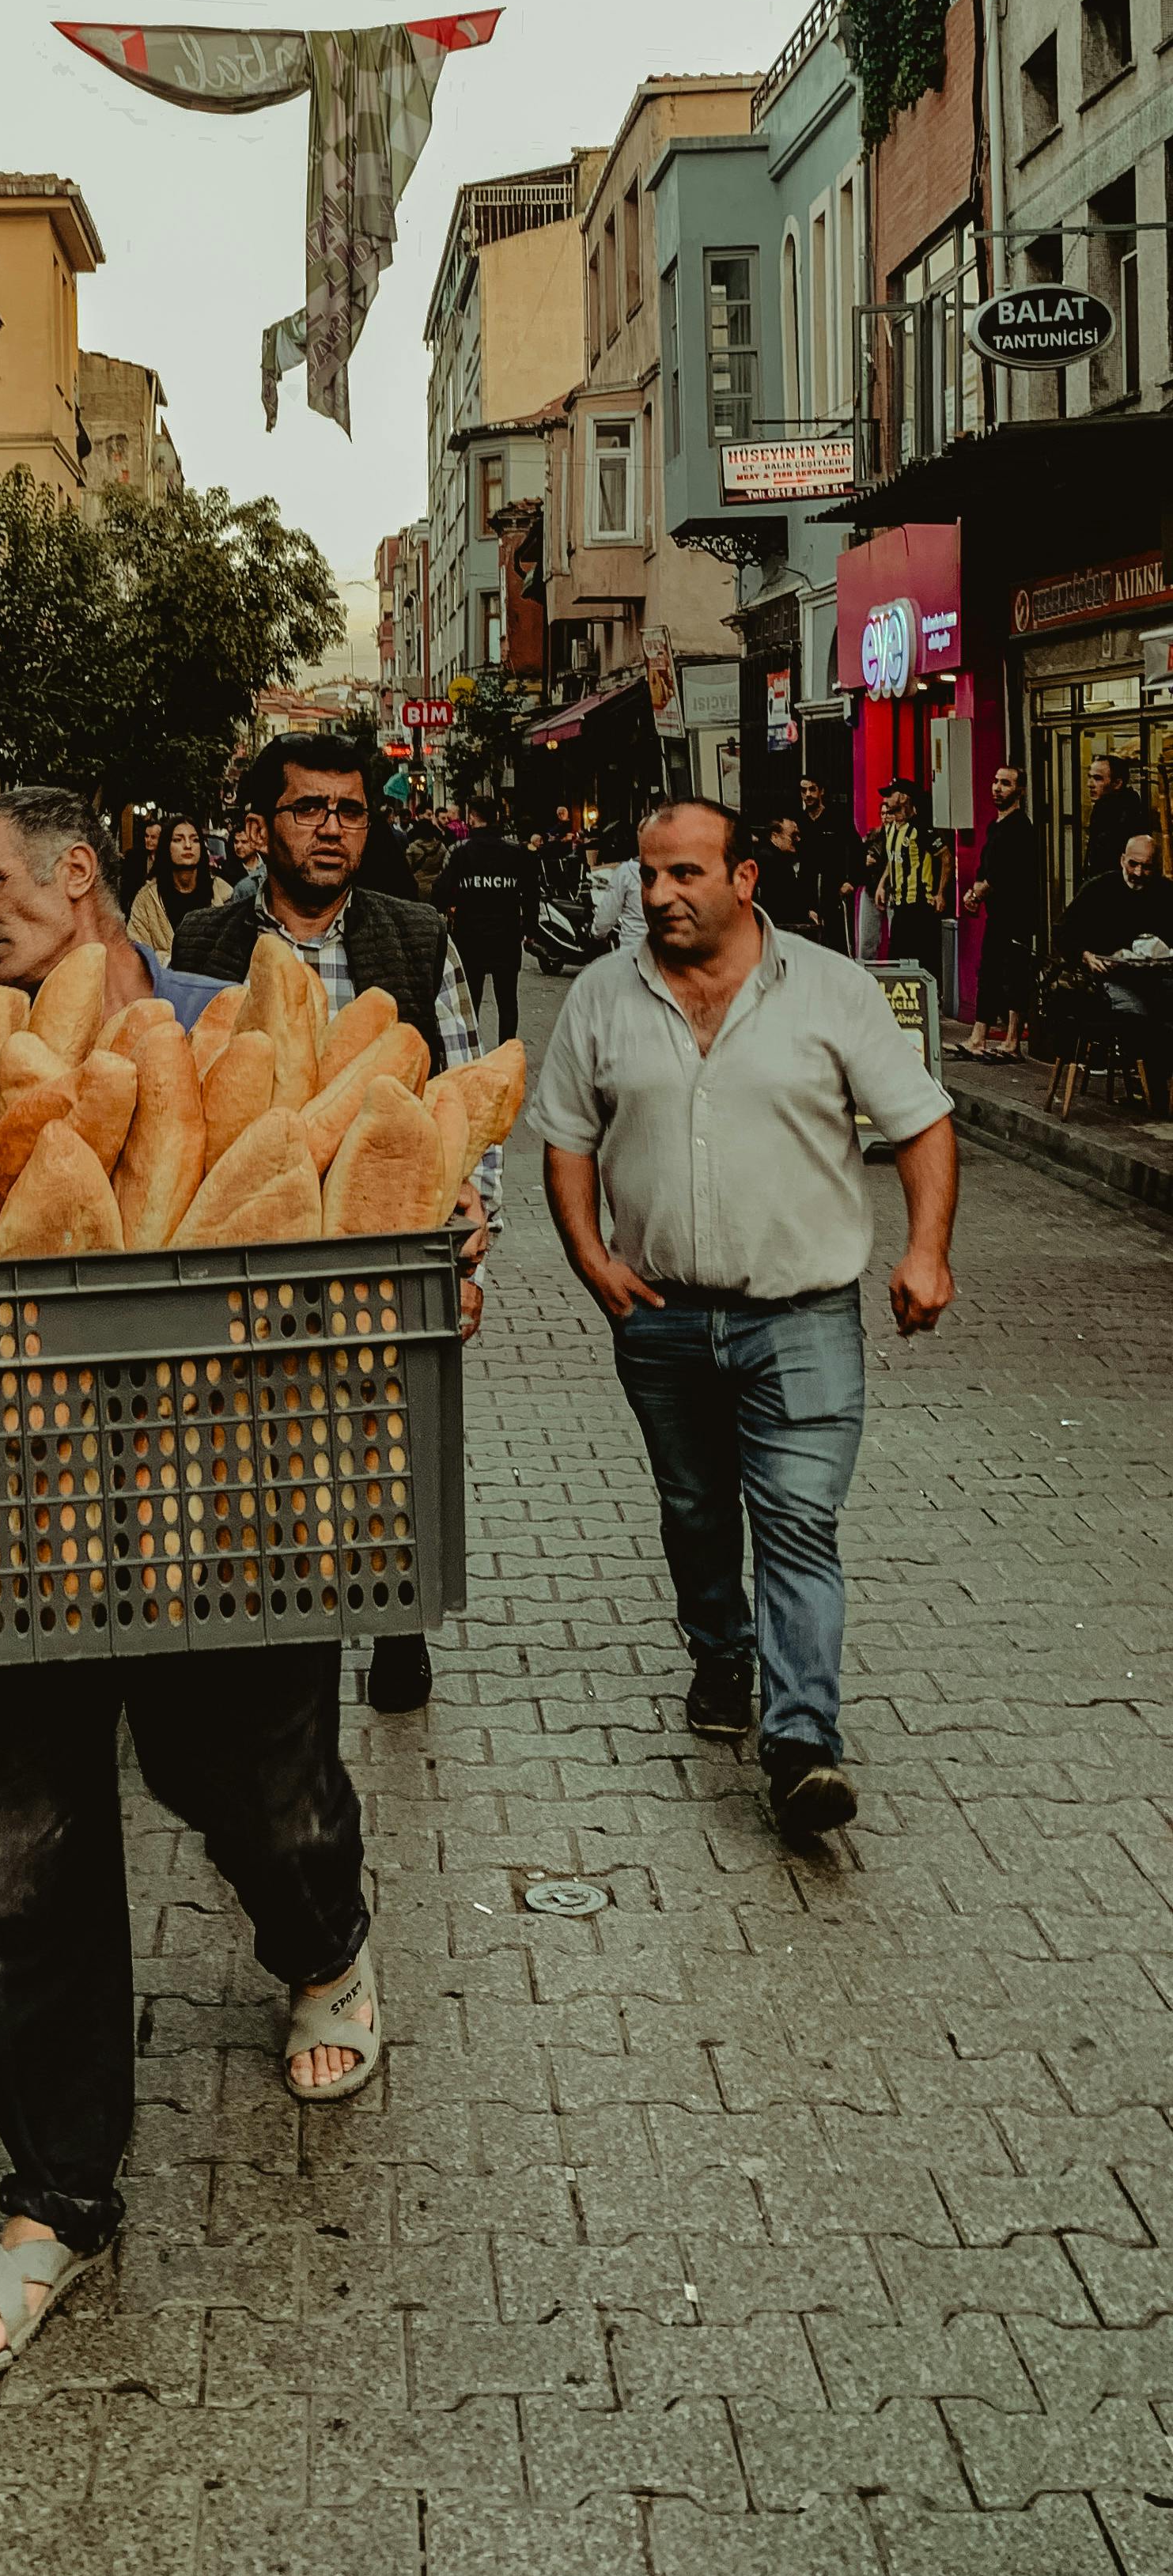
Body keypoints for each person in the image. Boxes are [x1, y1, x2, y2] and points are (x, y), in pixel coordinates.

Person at [0, 789, 385, 2379]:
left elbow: (368, 1197)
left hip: (236, 1511)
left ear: (76, 874)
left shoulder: (233, 1023)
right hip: (21, 1524)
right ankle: (54, 2198)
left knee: (250, 1788)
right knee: (20, 1860)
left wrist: (441, 1237)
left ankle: (324, 1945)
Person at [532, 799, 958, 1841]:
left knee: (798, 1521)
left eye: (685, 873)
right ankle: (720, 1650)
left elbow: (922, 1121)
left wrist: (927, 1250)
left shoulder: (833, 989)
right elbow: (567, 1137)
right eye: (648, 875)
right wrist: (589, 1257)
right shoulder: (601, 996)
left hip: (803, 1317)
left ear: (744, 879)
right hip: (661, 1316)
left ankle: (802, 1744)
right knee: (694, 1511)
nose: (660, 894)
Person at [174, 728, 500, 1712]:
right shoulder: (204, 941)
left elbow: (464, 1092)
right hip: (255, 1233)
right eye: (308, 808)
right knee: (254, 1441)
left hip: (382, 1230)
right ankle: (262, 1624)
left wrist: (472, 1245)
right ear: (259, 826)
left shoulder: (416, 935)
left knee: (388, 1433)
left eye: (350, 811)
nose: (331, 828)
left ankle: (397, 1621)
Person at [1054, 831, 1173, 1106]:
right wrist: (1085, 956)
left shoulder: (1164, 892)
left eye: (1147, 867)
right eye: (1134, 864)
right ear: (1122, 860)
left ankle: (1158, 1088)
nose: (1139, 873)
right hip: (1108, 979)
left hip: (1154, 977)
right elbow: (1062, 931)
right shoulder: (1100, 889)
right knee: (1139, 1017)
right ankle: (1153, 1093)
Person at [435, 790, 539, 1042]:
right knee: (507, 1000)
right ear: (497, 818)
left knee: (470, 1000)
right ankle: (507, 1051)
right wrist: (530, 930)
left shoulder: (460, 852)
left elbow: (440, 893)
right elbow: (531, 894)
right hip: (507, 935)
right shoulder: (516, 852)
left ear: (472, 818)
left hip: (470, 937)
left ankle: (473, 1050)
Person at [963, 766, 1044, 1061]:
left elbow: (1003, 873)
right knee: (989, 971)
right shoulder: (994, 826)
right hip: (997, 913)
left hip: (1017, 913)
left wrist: (977, 894)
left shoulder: (1021, 827)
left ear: (1020, 791)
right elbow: (985, 867)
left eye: (1006, 783)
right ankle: (979, 1036)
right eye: (995, 781)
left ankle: (1012, 1041)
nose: (997, 788)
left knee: (1015, 974)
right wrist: (973, 892)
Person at [126, 811, 229, 957]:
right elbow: (135, 953)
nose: (188, 845)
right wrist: (167, 960)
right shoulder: (147, 900)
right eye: (178, 840)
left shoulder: (223, 893)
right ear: (166, 846)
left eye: (195, 840)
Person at [874, 780, 949, 979]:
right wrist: (882, 885)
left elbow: (946, 858)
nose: (886, 799)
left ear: (903, 798)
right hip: (899, 905)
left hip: (920, 905)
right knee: (898, 960)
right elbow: (893, 860)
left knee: (922, 961)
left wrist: (940, 893)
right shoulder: (891, 828)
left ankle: (932, 997)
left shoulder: (921, 828)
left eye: (890, 794)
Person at [796, 776, 861, 953]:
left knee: (837, 941)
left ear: (822, 791)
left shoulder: (837, 817)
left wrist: (852, 881)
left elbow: (857, 849)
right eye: (803, 790)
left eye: (812, 789)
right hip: (807, 888)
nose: (808, 794)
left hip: (835, 888)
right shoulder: (799, 821)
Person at [1083, 752, 1154, 879]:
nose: (1090, 784)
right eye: (1090, 777)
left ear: (1117, 783)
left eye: (1098, 778)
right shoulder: (1103, 808)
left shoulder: (1127, 813)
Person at [752, 816, 812, 934]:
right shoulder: (772, 861)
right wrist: (806, 913)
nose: (798, 839)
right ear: (775, 836)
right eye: (793, 835)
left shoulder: (774, 858)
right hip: (779, 927)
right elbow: (785, 900)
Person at [592, 833, 647, 955]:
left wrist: (598, 934)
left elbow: (606, 916)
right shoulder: (676, 872)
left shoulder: (627, 872)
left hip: (633, 950)